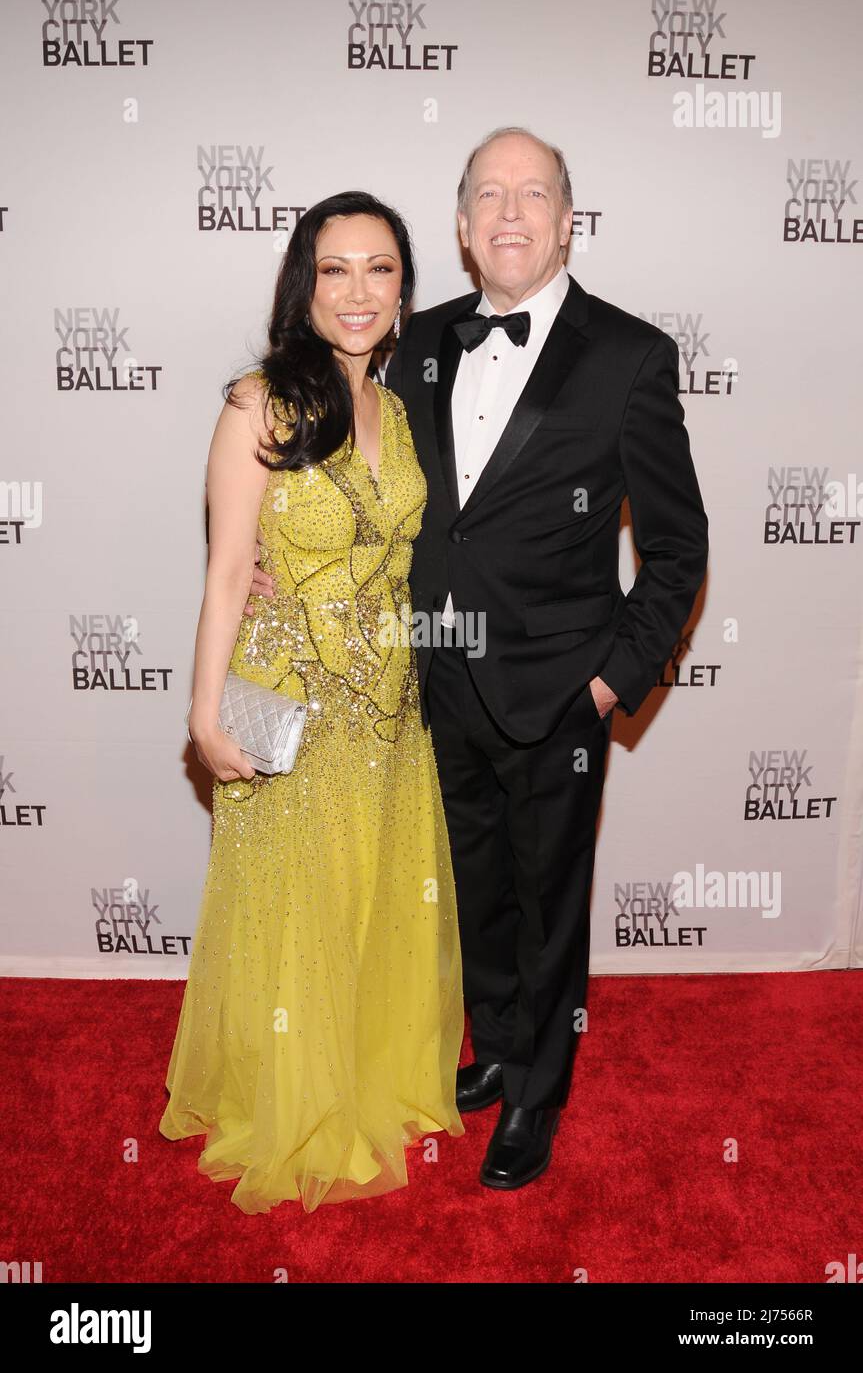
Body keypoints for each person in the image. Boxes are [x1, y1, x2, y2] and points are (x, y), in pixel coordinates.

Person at [250, 127, 709, 1191]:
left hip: (559, 694)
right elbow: (346, 466)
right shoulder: (418, 340)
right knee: (469, 891)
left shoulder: (629, 355)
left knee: (549, 901)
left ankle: (536, 1094)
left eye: (532, 194)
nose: (509, 213)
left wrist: (610, 678)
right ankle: (494, 1044)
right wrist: (268, 558)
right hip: (428, 680)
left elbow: (678, 549)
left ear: (564, 219)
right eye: (487, 196)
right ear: (460, 228)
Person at [159, 191, 465, 1215]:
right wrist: (205, 714)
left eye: (379, 269)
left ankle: (366, 1076)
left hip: (387, 698)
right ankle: (294, 1101)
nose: (357, 291)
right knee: (296, 904)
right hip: (291, 694)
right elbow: (226, 568)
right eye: (335, 269)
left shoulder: (399, 408)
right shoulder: (258, 404)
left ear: (402, 290)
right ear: (304, 284)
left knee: (374, 896)